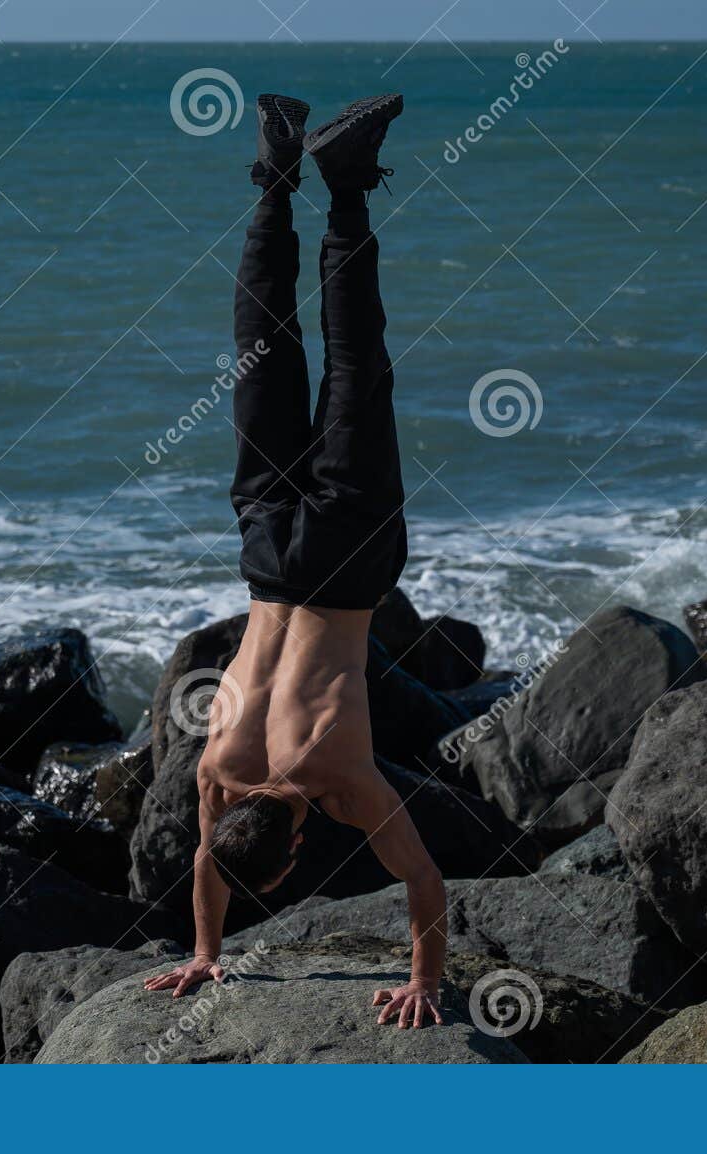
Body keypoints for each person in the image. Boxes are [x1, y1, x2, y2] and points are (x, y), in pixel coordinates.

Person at [143, 93, 447, 1029]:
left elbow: (428, 890)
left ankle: (346, 181)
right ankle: (276, 174)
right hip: (267, 552)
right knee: (262, 353)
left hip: (348, 558)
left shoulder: (340, 780)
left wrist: (424, 984)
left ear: (297, 842)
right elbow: (207, 858)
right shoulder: (217, 773)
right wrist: (203, 948)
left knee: (357, 362)